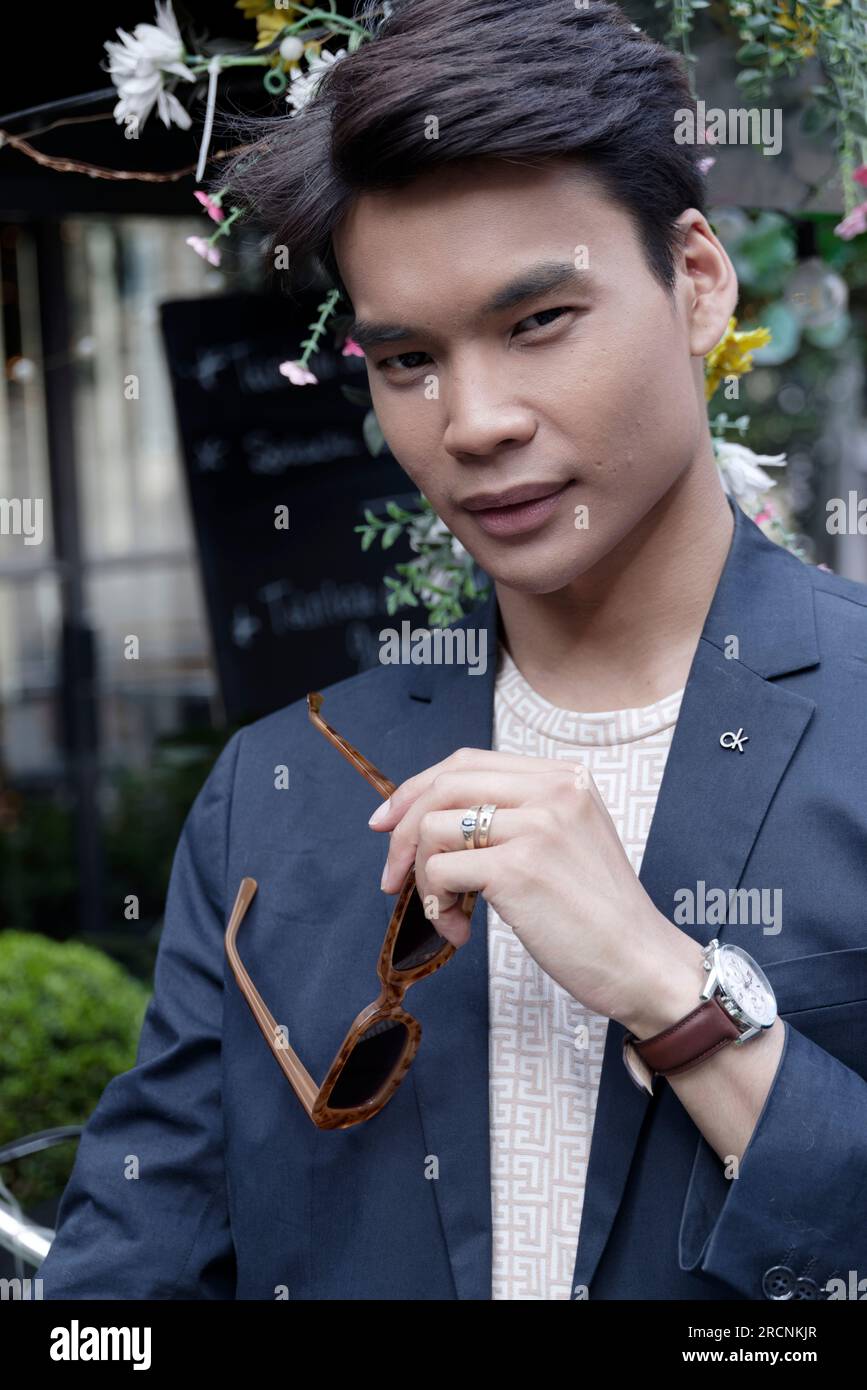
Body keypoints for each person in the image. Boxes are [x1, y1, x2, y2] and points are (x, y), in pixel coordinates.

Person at [40, 0, 867, 1301]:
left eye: (539, 320)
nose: (472, 422)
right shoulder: (283, 791)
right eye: (409, 357)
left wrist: (672, 986)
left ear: (699, 283)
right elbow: (115, 1296)